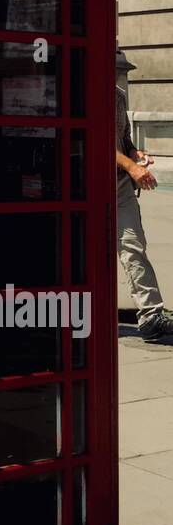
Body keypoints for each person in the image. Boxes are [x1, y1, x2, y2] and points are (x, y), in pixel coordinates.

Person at [116, 49, 173, 342]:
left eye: (123, 71)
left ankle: (151, 316)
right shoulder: (82, 93)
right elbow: (90, 139)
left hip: (119, 186)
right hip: (84, 184)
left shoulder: (117, 96)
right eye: (118, 70)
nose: (121, 76)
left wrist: (136, 155)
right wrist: (131, 167)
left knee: (133, 245)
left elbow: (122, 140)